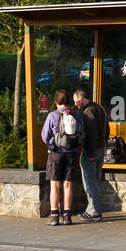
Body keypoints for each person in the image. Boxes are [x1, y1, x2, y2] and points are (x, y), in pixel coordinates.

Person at [40, 89, 82, 225]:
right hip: (71, 153)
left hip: (55, 154)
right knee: (68, 184)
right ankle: (67, 215)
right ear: (68, 101)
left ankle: (54, 215)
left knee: (55, 184)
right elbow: (80, 132)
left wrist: (51, 143)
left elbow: (44, 136)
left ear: (56, 101)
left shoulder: (52, 116)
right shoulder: (76, 114)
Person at [73, 87, 109, 222]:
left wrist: (90, 153)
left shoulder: (88, 112)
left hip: (92, 151)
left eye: (76, 101)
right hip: (101, 149)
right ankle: (95, 209)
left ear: (82, 99)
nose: (76, 104)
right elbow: (107, 128)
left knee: (89, 181)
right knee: (95, 180)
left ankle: (93, 211)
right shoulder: (99, 108)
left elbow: (91, 135)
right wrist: (103, 145)